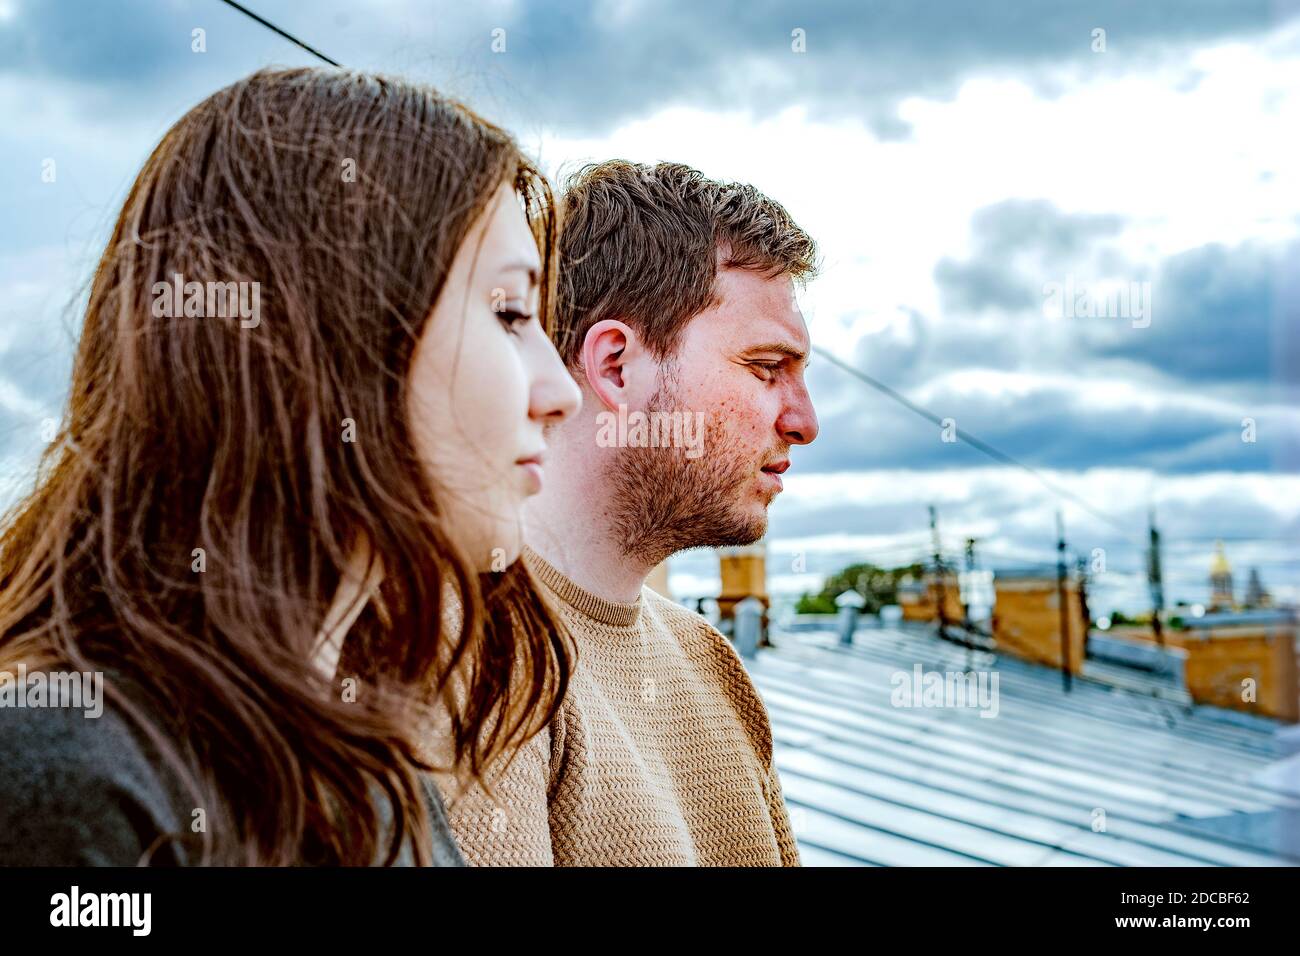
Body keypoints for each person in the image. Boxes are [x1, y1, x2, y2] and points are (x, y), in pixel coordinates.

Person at [0, 67, 580, 866]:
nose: (561, 392)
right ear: (329, 338)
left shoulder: (366, 770)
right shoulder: (63, 775)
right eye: (509, 312)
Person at [443, 160, 819, 866]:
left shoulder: (710, 661)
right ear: (616, 366)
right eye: (769, 367)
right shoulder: (465, 652)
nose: (803, 421)